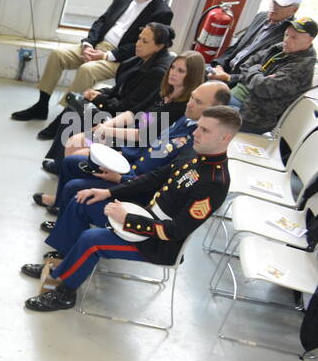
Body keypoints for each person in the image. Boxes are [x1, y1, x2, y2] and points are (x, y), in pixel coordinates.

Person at [22, 105, 239, 313]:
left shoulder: (214, 182)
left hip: (158, 243)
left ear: (225, 138)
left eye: (205, 130)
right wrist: (108, 193)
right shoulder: (195, 152)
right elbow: (154, 178)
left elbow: (176, 231)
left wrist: (128, 220)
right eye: (198, 127)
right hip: (144, 214)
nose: (196, 133)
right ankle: (61, 261)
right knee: (83, 200)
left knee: (91, 240)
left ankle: (64, 293)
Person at [35, 81, 229, 226]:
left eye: (198, 101)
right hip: (130, 166)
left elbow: (161, 177)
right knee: (71, 163)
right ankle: (62, 209)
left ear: (214, 109)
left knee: (75, 186)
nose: (190, 103)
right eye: (192, 97)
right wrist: (122, 156)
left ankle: (65, 225)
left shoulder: (196, 141)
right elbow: (152, 145)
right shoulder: (186, 120)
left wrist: (121, 178)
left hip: (137, 187)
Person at [12, 0, 172, 124]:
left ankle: (64, 115)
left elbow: (143, 46)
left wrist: (106, 55)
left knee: (87, 70)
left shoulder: (162, 12)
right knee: (57, 55)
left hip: (120, 58)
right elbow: (102, 20)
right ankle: (41, 105)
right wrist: (89, 44)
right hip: (98, 44)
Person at [39, 24, 176, 159]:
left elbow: (129, 107)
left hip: (126, 120)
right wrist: (99, 92)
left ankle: (62, 160)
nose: (138, 44)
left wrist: (99, 98)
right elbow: (119, 89)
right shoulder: (141, 59)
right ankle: (60, 158)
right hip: (119, 109)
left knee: (78, 111)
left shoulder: (157, 72)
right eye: (139, 38)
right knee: (78, 102)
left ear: (159, 46)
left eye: (144, 41)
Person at [55, 50, 203, 160]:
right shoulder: (164, 91)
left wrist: (107, 130)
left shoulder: (182, 106)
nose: (173, 73)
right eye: (173, 67)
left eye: (181, 71)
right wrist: (106, 125)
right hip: (127, 134)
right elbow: (133, 112)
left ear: (192, 76)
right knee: (74, 141)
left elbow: (144, 135)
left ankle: (70, 179)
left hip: (137, 148)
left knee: (79, 153)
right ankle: (64, 176)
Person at [232, 17, 317, 134]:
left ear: (309, 40)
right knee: (212, 90)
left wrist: (255, 71)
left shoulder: (302, 67)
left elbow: (263, 88)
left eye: (294, 37)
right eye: (286, 35)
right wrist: (258, 75)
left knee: (211, 111)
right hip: (245, 99)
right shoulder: (280, 48)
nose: (287, 40)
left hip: (255, 117)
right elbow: (246, 64)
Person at [209, 0, 301, 78]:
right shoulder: (261, 17)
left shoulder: (290, 34)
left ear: (294, 10)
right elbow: (237, 46)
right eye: (274, 1)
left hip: (240, 79)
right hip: (225, 69)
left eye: (281, 4)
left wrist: (228, 78)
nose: (274, 6)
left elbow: (264, 70)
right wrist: (219, 65)